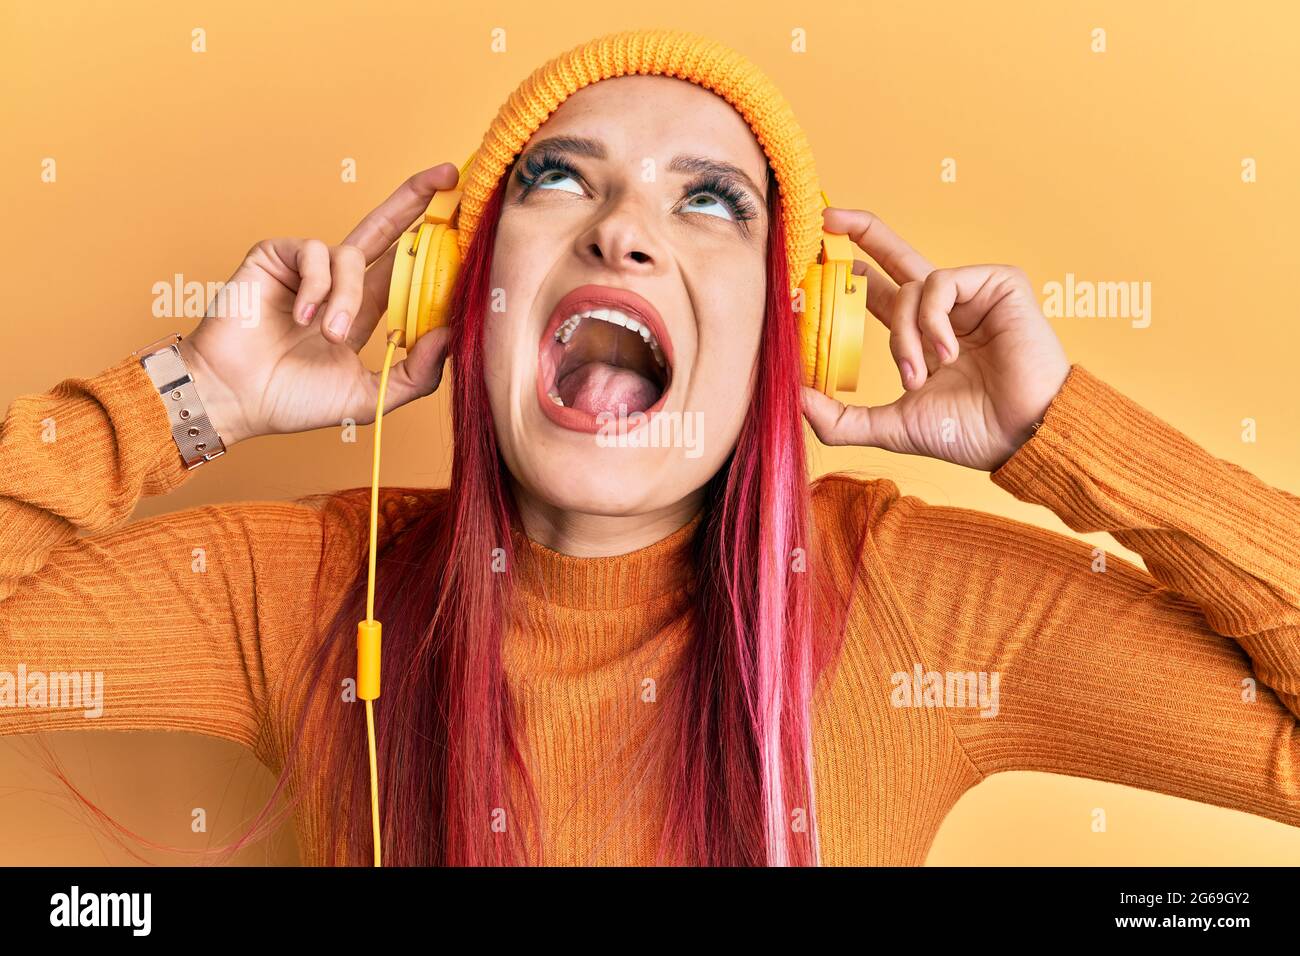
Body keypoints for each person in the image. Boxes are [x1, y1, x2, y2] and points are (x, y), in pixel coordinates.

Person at [2, 29, 1297, 867]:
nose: (624, 232)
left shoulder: (924, 611)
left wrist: (1059, 436)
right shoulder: (296, 595)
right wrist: (197, 396)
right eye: (560, 181)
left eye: (709, 201)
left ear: (794, 334)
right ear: (461, 290)